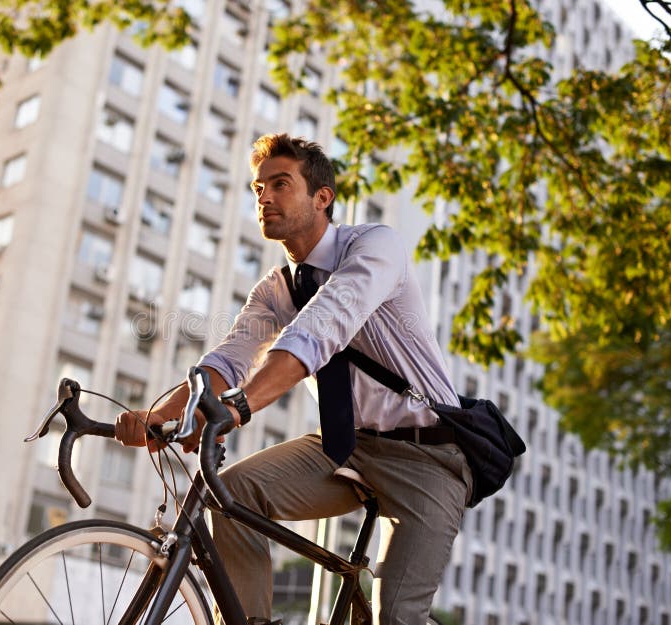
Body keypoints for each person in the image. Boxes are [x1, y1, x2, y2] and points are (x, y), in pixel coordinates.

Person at [115, 133, 472, 625]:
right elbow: (229, 358)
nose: (263, 196)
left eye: (280, 184)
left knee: (397, 618)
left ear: (322, 197)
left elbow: (317, 331)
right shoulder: (275, 289)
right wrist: (158, 416)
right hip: (348, 448)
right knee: (231, 491)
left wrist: (239, 407)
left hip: (428, 455)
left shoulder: (374, 247)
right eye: (258, 188)